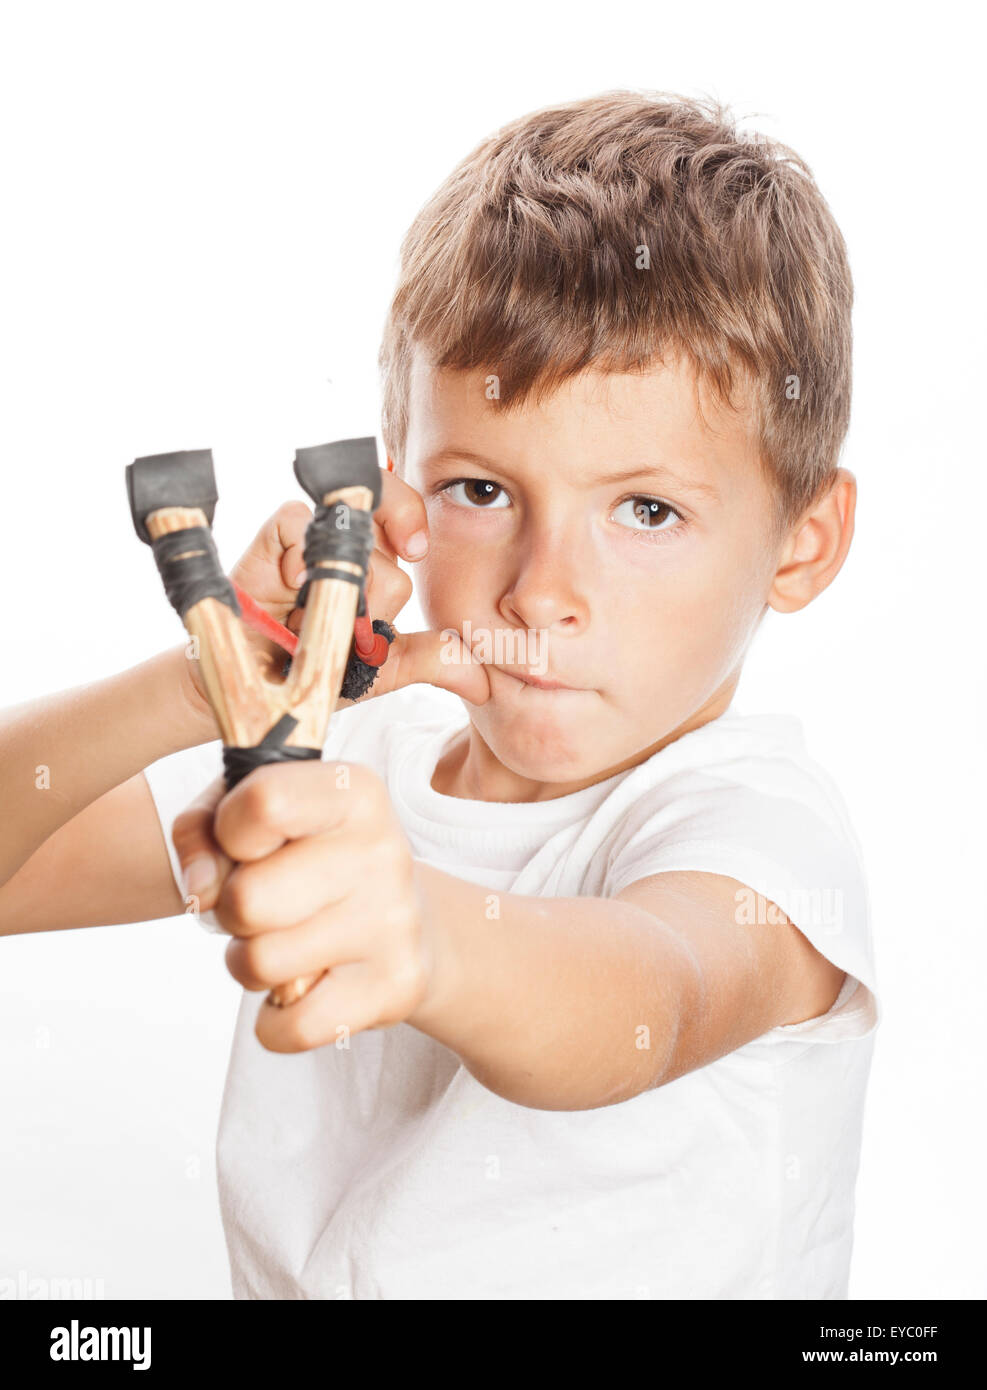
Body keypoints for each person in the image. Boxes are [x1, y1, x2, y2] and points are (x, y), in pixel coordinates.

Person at [0, 89, 879, 1299]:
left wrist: (424, 932)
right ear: (395, 479)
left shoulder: (757, 829)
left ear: (802, 542)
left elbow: (647, 999)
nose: (542, 591)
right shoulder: (338, 745)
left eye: (648, 510)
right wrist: (207, 679)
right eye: (480, 491)